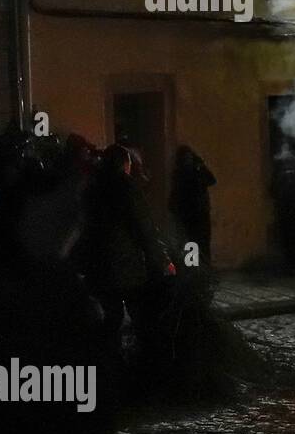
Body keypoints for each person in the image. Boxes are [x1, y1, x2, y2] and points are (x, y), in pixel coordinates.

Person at [82, 144, 175, 348]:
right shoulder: (126, 188)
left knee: (112, 316)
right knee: (140, 316)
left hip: (99, 265)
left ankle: (108, 361)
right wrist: (163, 261)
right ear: (126, 164)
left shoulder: (93, 188)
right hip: (125, 267)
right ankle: (140, 363)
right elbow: (144, 229)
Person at [169, 145, 217, 266]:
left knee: (201, 243)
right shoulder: (182, 173)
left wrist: (200, 166)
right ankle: (195, 270)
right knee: (192, 244)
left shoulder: (196, 171)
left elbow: (211, 180)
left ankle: (202, 269)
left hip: (199, 213)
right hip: (189, 214)